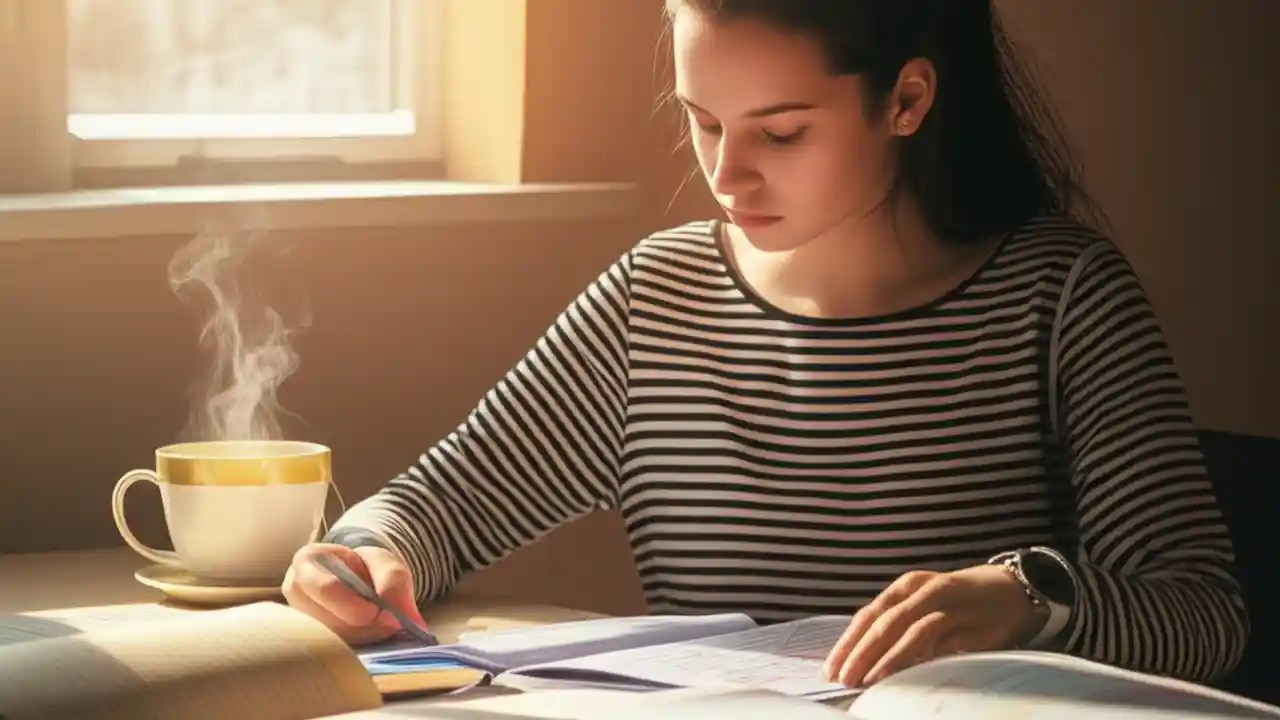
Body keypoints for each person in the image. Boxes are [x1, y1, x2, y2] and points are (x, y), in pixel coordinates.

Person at [282, 0, 1249, 689]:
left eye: (781, 134)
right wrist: (365, 551)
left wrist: (1031, 596)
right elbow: (435, 506)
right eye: (701, 123)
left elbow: (1207, 618)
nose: (726, 174)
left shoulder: (1061, 296)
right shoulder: (654, 299)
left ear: (907, 101)